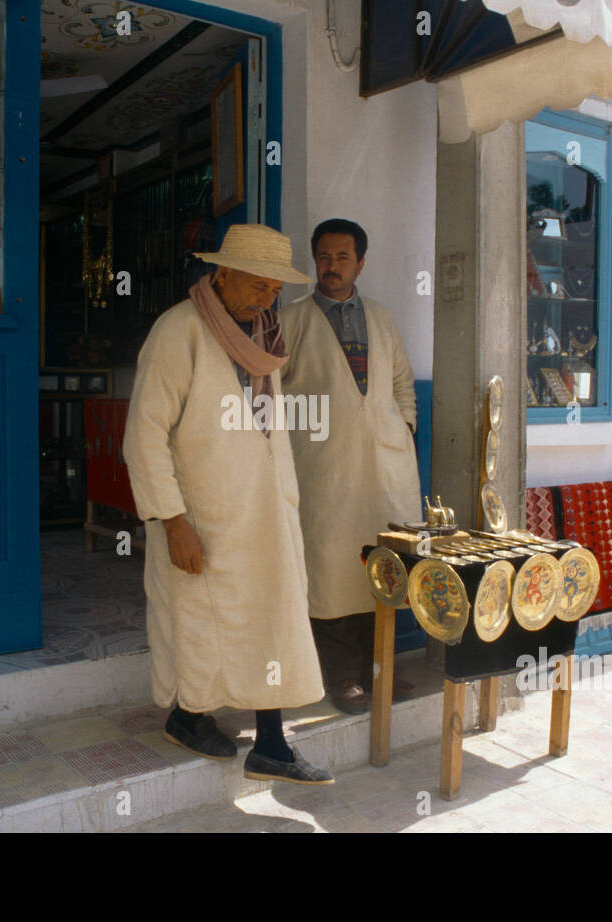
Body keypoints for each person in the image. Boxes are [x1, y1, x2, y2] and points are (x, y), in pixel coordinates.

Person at [122, 223, 334, 785]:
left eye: (274, 290)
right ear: (223, 274)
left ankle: (271, 744)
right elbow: (144, 436)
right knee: (200, 623)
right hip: (202, 517)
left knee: (274, 617)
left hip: (264, 512)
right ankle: (188, 718)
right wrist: (173, 521)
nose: (267, 299)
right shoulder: (179, 331)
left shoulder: (265, 335)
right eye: (257, 286)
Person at [278, 219, 423, 714]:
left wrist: (403, 425)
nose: (331, 266)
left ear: (361, 262)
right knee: (332, 564)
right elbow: (270, 390)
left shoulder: (381, 318)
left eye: (342, 257)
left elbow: (402, 381)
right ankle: (341, 677)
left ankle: (378, 667)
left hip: (385, 465)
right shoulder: (292, 319)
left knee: (383, 563)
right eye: (323, 256)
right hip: (322, 465)